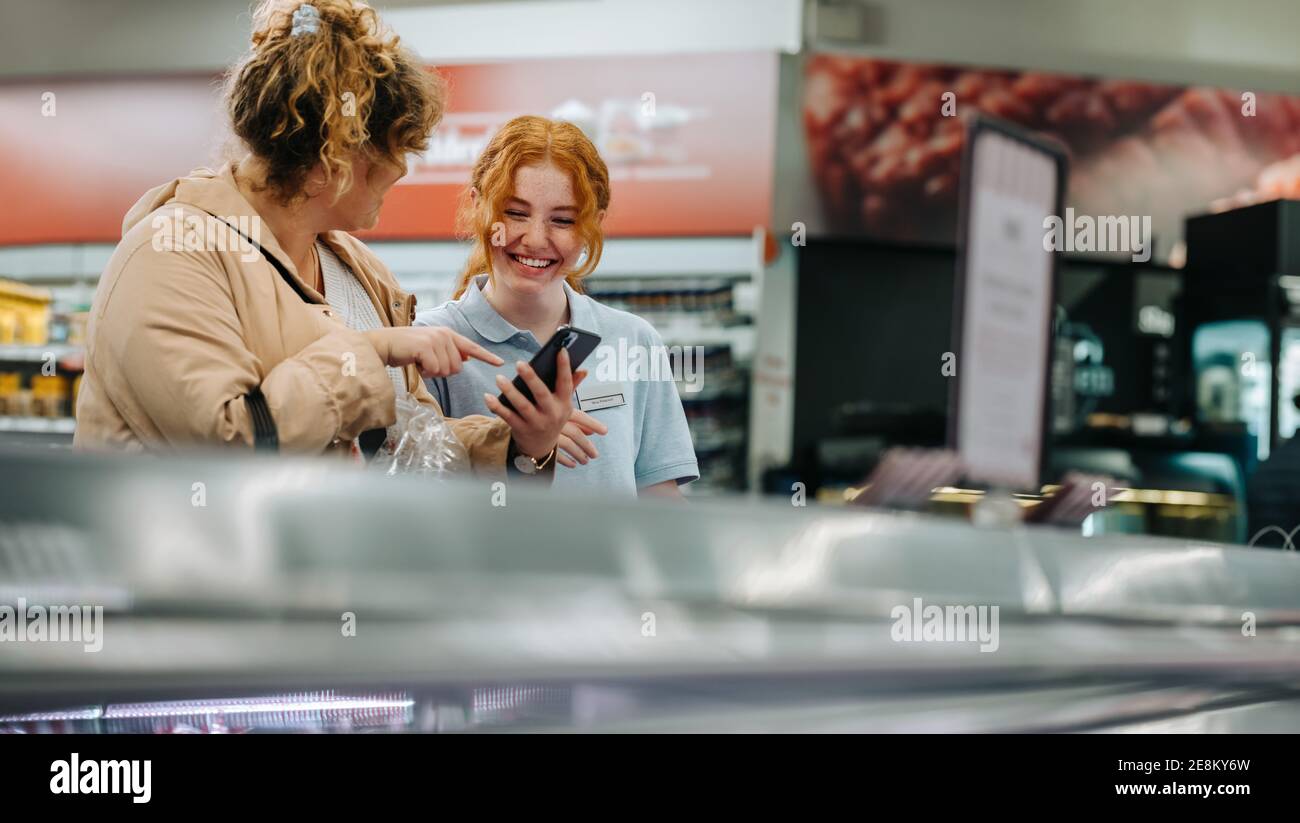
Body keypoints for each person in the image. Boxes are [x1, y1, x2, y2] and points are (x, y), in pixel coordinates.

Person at [75, 0, 596, 480]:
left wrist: (517, 448)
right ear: (338, 155)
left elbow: (410, 442)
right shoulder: (171, 255)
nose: (401, 171)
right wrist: (368, 353)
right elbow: (227, 444)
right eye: (397, 149)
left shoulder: (357, 270)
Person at [416, 116, 699, 497]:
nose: (535, 239)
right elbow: (412, 501)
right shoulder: (432, 346)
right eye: (515, 213)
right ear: (477, 205)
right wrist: (519, 448)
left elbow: (660, 504)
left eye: (563, 220)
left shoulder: (634, 341)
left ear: (592, 225)